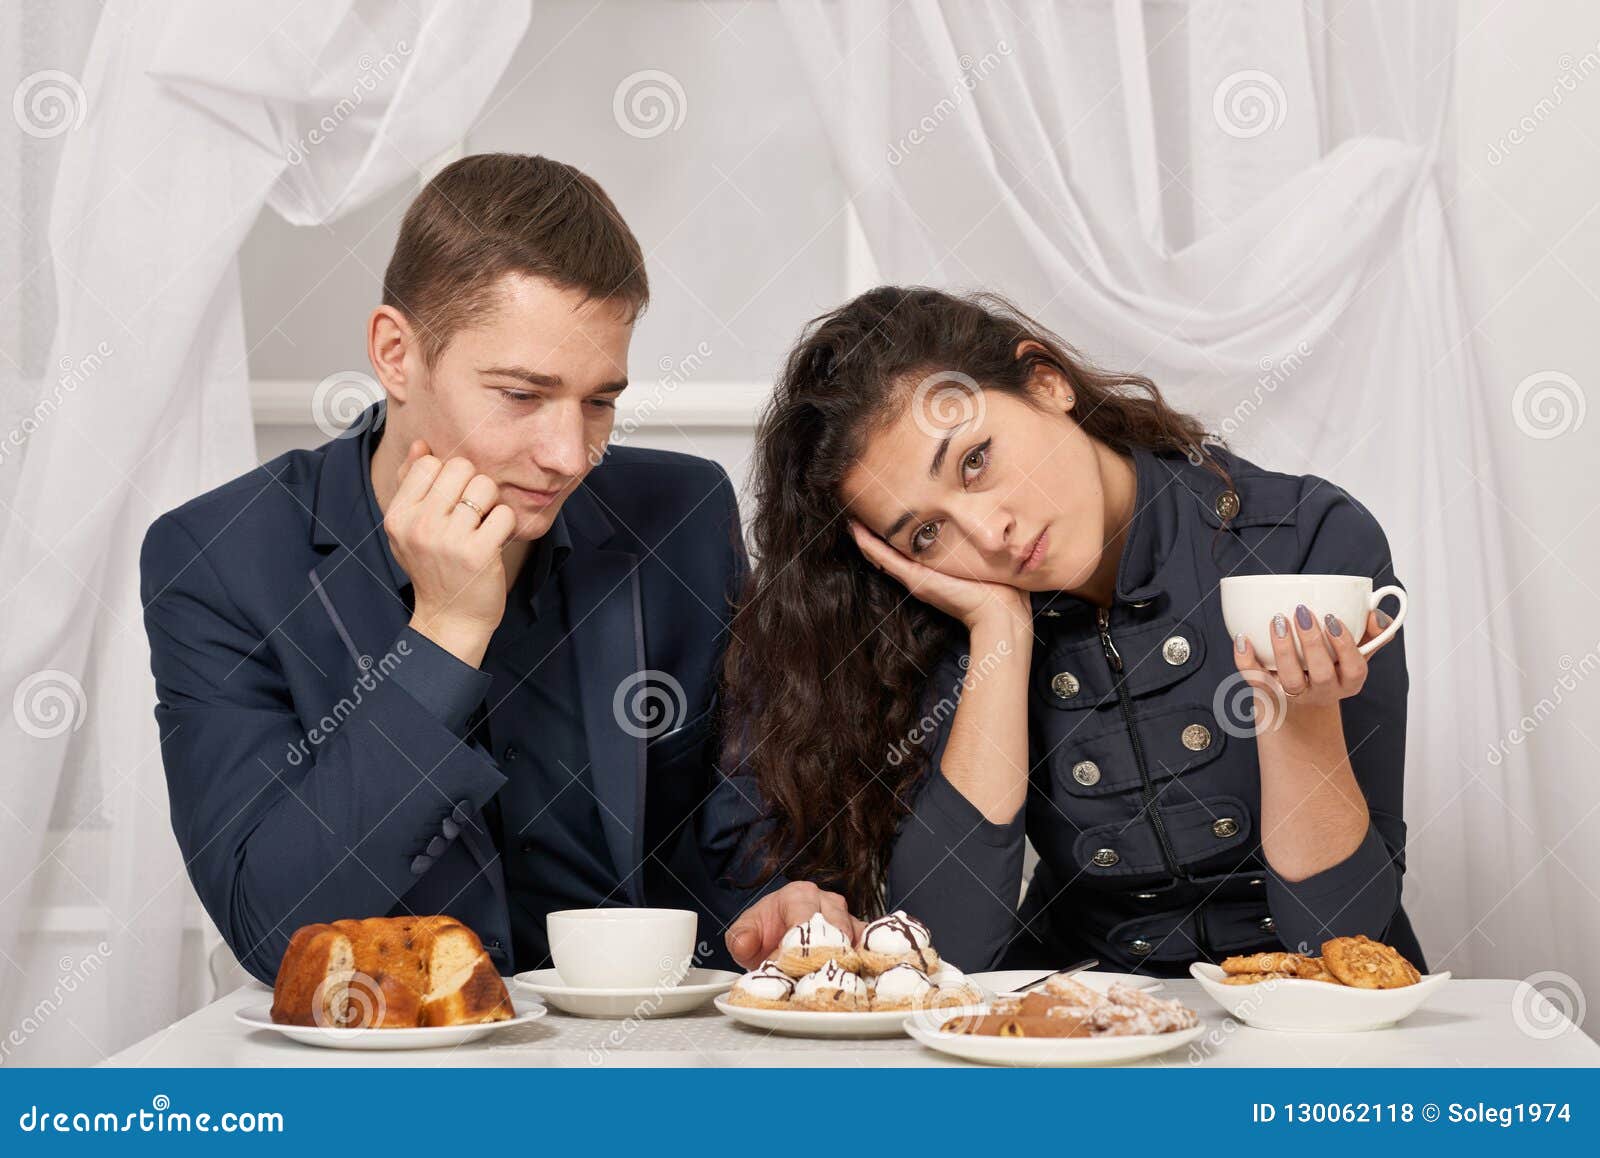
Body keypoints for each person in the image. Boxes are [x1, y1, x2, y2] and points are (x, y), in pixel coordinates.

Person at [140, 153, 805, 982]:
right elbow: (276, 932)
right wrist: (445, 634)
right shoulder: (222, 559)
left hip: (651, 1057)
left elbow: (734, 827)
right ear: (395, 353)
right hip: (400, 1071)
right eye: (522, 395)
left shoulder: (678, 516)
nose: (570, 454)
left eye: (600, 399)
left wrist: (784, 896)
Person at [714, 285, 1426, 976]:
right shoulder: (947, 613)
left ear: (1047, 382)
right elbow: (947, 954)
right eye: (928, 532)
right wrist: (999, 632)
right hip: (1078, 1031)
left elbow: (1342, 945)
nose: (989, 534)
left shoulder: (1307, 543)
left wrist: (1300, 715)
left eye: (975, 460)